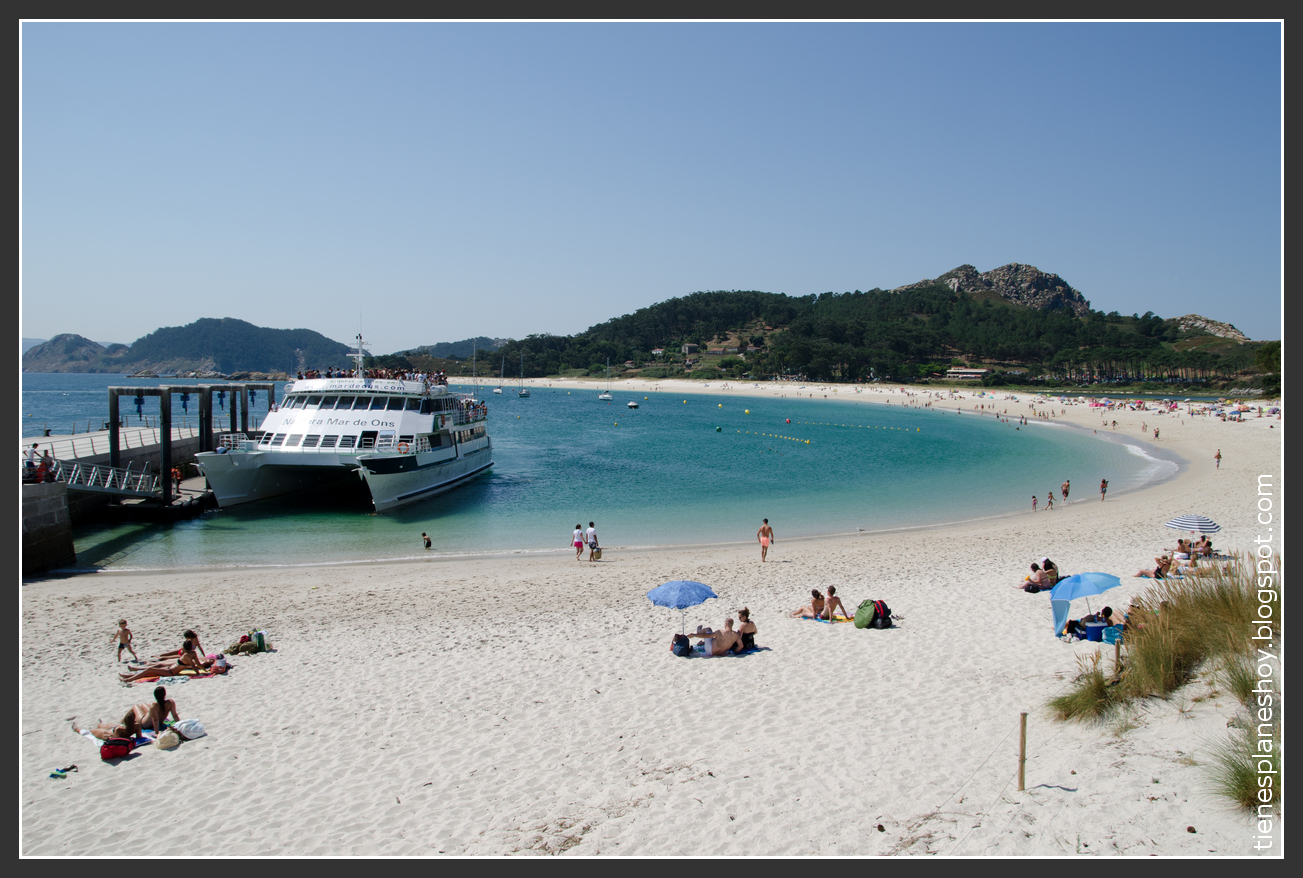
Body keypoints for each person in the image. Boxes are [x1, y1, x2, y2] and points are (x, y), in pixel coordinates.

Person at [73, 712, 141, 742]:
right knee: (107, 725)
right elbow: (139, 737)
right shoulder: (137, 726)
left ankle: (77, 729)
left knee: (92, 731)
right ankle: (99, 724)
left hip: (109, 733)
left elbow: (116, 741)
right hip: (114, 730)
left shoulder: (119, 729)